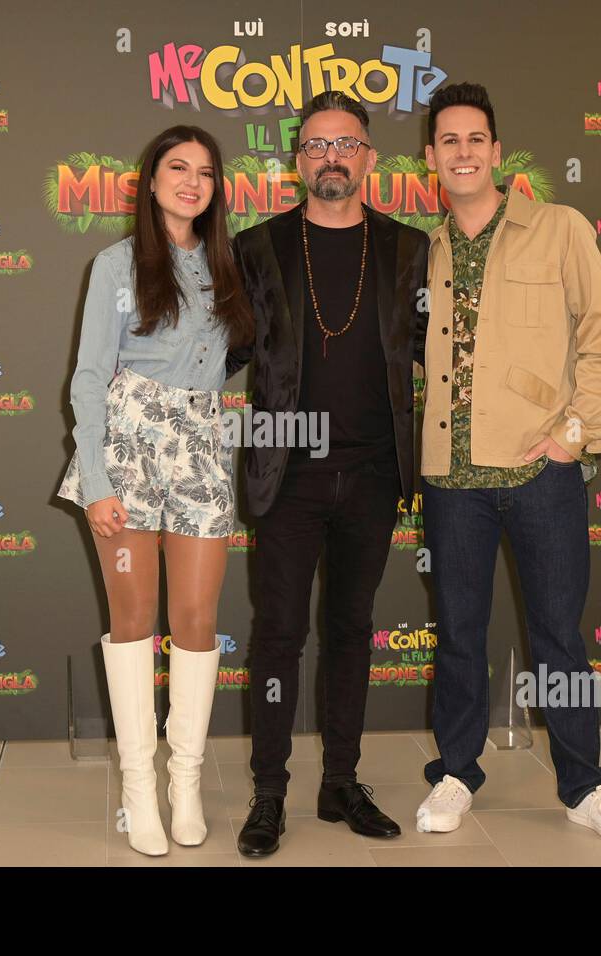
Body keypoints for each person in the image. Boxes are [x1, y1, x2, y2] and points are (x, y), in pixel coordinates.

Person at [415, 82, 601, 842]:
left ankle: (586, 786)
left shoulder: (559, 227)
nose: (463, 152)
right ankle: (455, 773)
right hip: (452, 482)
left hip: (541, 473)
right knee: (457, 633)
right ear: (430, 158)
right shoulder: (427, 247)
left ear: (496, 150)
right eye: (449, 141)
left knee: (558, 636)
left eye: (475, 138)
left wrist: (571, 436)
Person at [225, 91, 429, 857]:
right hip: (289, 475)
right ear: (297, 160)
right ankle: (269, 792)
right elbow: (227, 350)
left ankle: (341, 782)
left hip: (375, 474)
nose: (331, 157)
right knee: (278, 636)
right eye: (315, 145)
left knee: (350, 630)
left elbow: (437, 351)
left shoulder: (411, 248)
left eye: (346, 143)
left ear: (370, 157)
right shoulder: (258, 246)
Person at [54, 125, 254, 856]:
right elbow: (87, 377)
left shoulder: (231, 266)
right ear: (152, 179)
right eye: (178, 168)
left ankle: (186, 782)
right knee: (134, 619)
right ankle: (139, 790)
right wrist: (98, 478)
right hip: (128, 447)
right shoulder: (116, 265)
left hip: (201, 445)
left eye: (205, 172)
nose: (192, 182)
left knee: (198, 619)